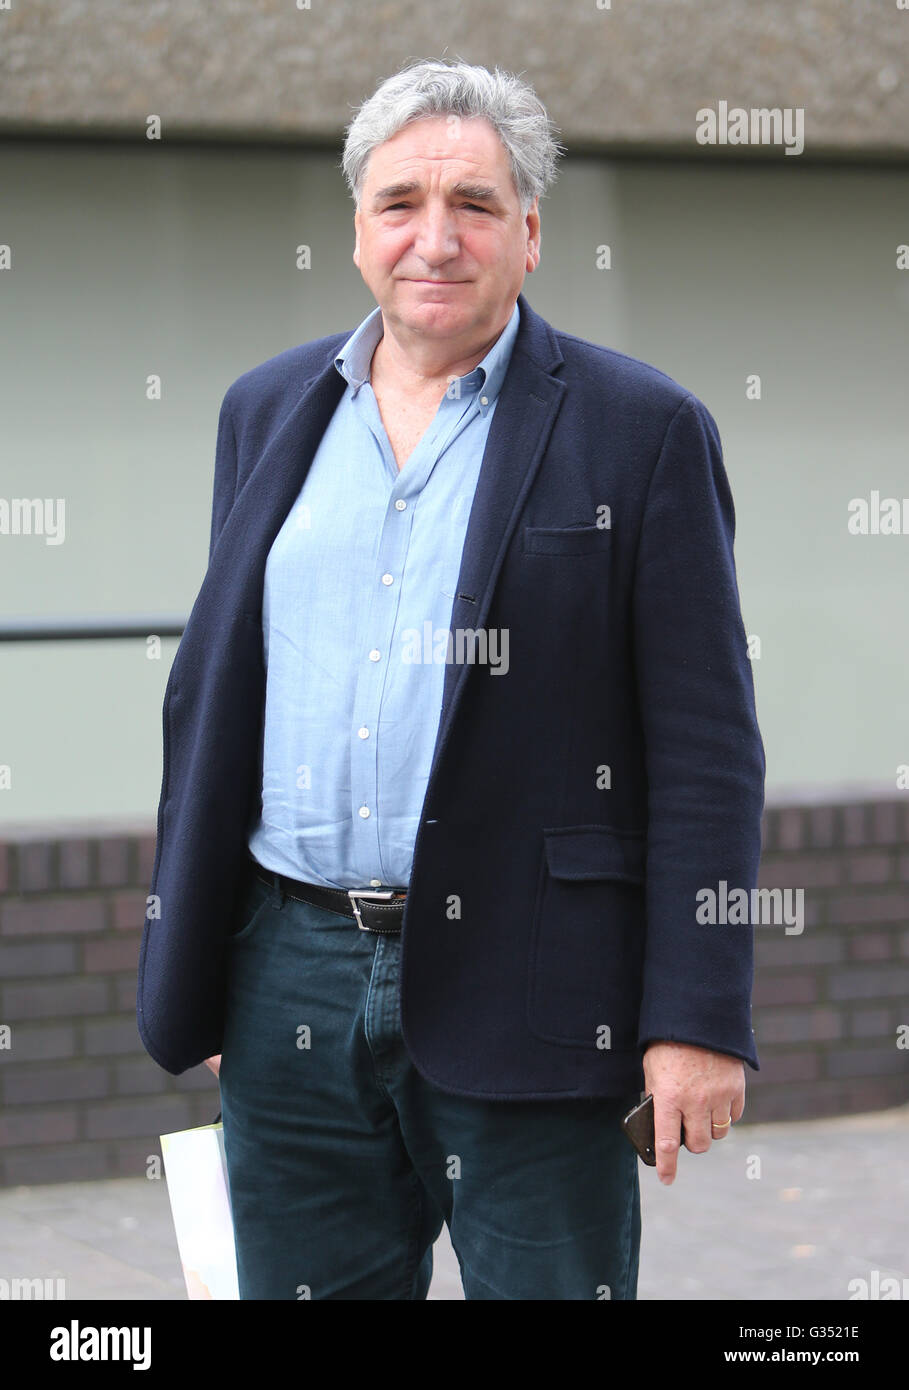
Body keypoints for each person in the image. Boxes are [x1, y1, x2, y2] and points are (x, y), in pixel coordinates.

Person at [137, 57, 766, 1300]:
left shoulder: (643, 431)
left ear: (530, 233)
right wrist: (205, 960)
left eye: (475, 205)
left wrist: (695, 1016)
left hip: (533, 983)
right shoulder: (266, 412)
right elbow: (216, 701)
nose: (437, 238)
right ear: (358, 232)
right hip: (288, 974)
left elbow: (705, 744)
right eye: (401, 204)